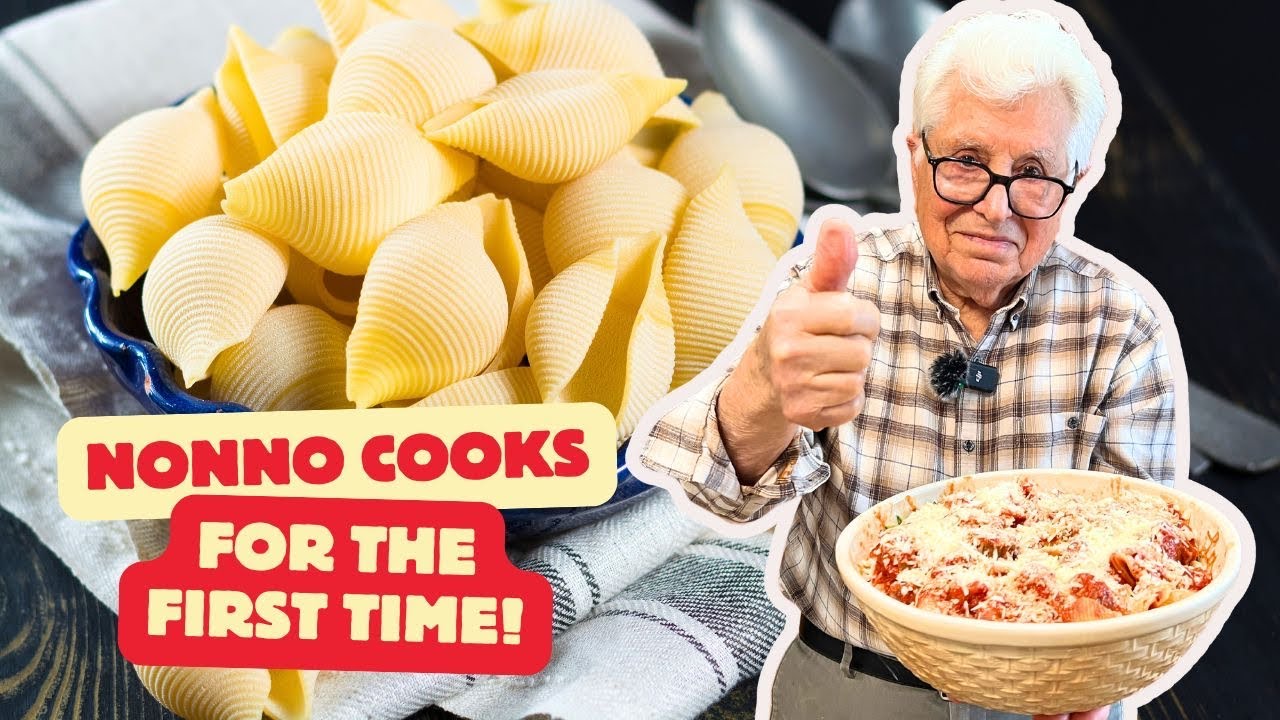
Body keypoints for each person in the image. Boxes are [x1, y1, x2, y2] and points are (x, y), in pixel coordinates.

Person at [637, 5, 1178, 720]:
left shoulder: (1122, 325)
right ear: (914, 154)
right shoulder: (839, 290)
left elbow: (1147, 550)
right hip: (848, 688)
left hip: (1038, 695)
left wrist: (1094, 671)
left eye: (1034, 174)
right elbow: (714, 494)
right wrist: (762, 390)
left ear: (1076, 180)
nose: (996, 208)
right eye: (967, 163)